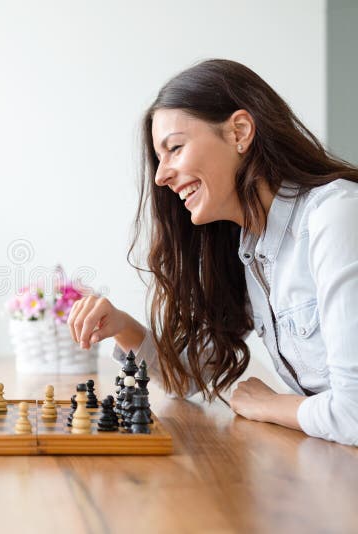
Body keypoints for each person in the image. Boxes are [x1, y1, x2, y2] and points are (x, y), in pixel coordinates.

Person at [68, 59, 358, 447]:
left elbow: (354, 413)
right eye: (160, 158)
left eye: (174, 148)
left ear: (240, 132)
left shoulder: (335, 217)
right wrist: (122, 327)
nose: (161, 176)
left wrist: (271, 405)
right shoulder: (251, 248)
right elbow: (189, 377)